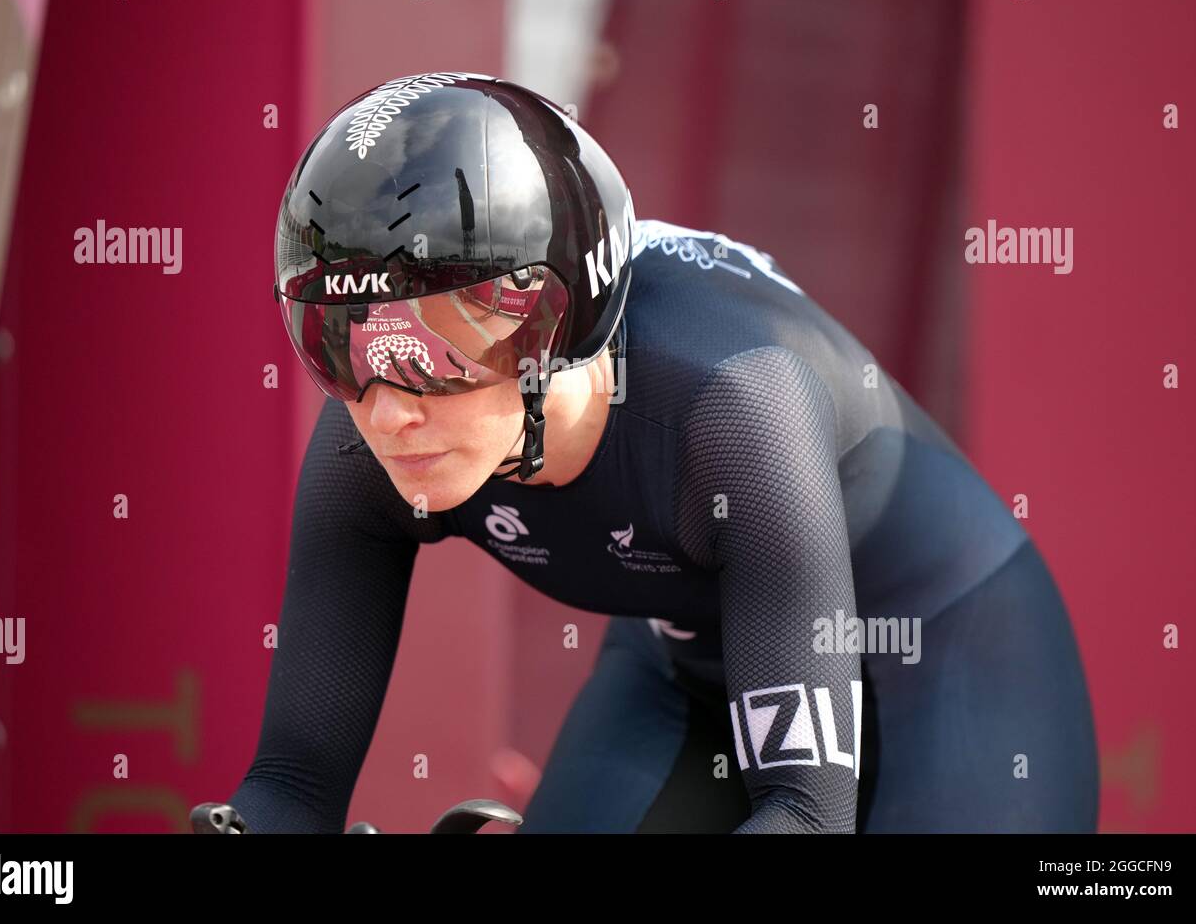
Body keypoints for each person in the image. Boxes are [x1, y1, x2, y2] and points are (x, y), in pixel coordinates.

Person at [227, 71, 1099, 832]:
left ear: (555, 327)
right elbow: (292, 786)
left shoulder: (733, 406)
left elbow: (804, 814)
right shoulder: (367, 435)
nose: (388, 412)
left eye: (437, 351)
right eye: (337, 344)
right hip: (688, 657)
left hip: (949, 644)